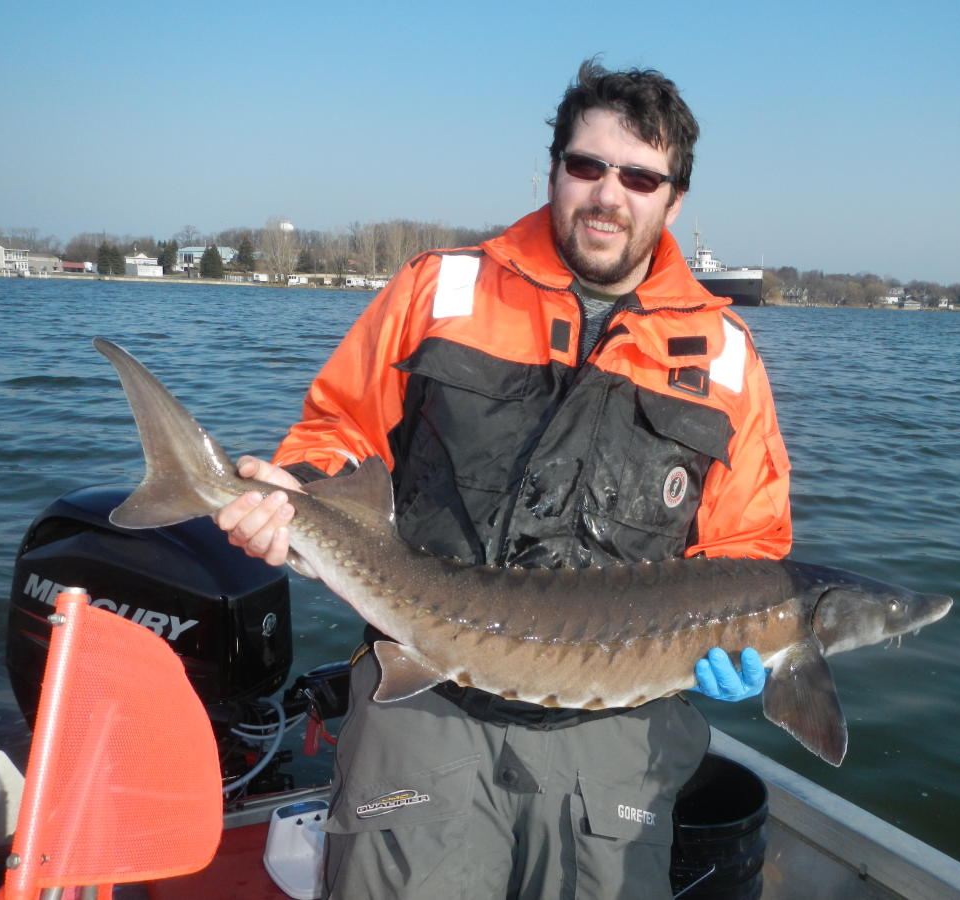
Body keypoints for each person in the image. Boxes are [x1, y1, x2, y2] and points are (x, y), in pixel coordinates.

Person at [215, 58, 792, 899]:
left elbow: (750, 544)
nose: (607, 194)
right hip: (423, 695)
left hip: (617, 729)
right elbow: (337, 428)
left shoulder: (726, 356)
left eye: (638, 176)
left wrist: (750, 643)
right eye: (586, 165)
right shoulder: (440, 287)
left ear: (673, 201)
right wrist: (293, 492)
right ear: (552, 169)